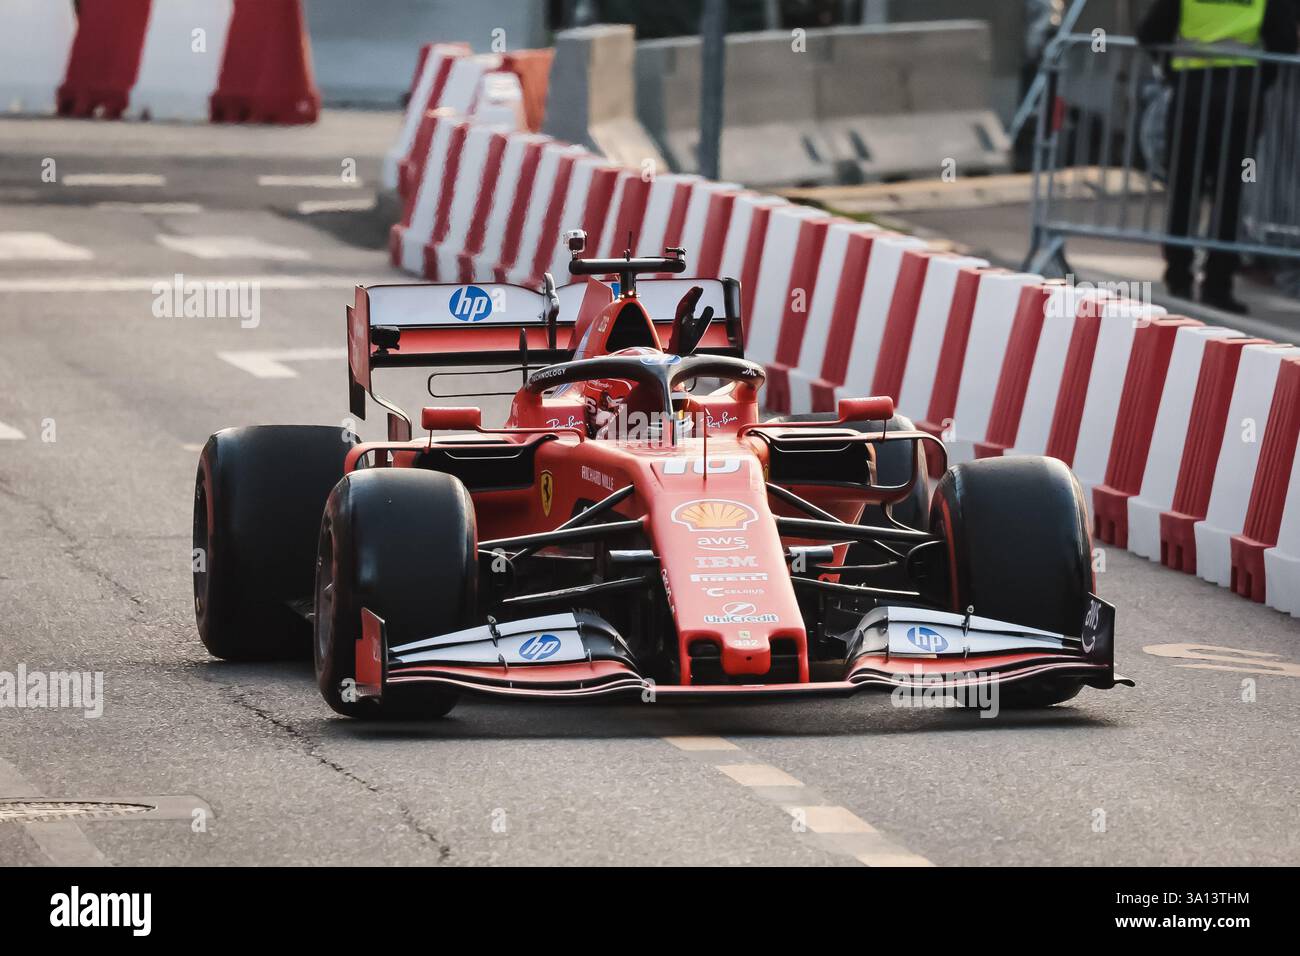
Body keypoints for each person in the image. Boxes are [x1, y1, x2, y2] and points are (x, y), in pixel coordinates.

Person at [1138, 0, 1298, 314]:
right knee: (1230, 194)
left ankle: (1179, 277)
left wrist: (1173, 69)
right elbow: (1284, 42)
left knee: (1185, 187)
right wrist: (1258, 81)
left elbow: (1150, 31)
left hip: (1191, 96)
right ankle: (1217, 285)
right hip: (1241, 99)